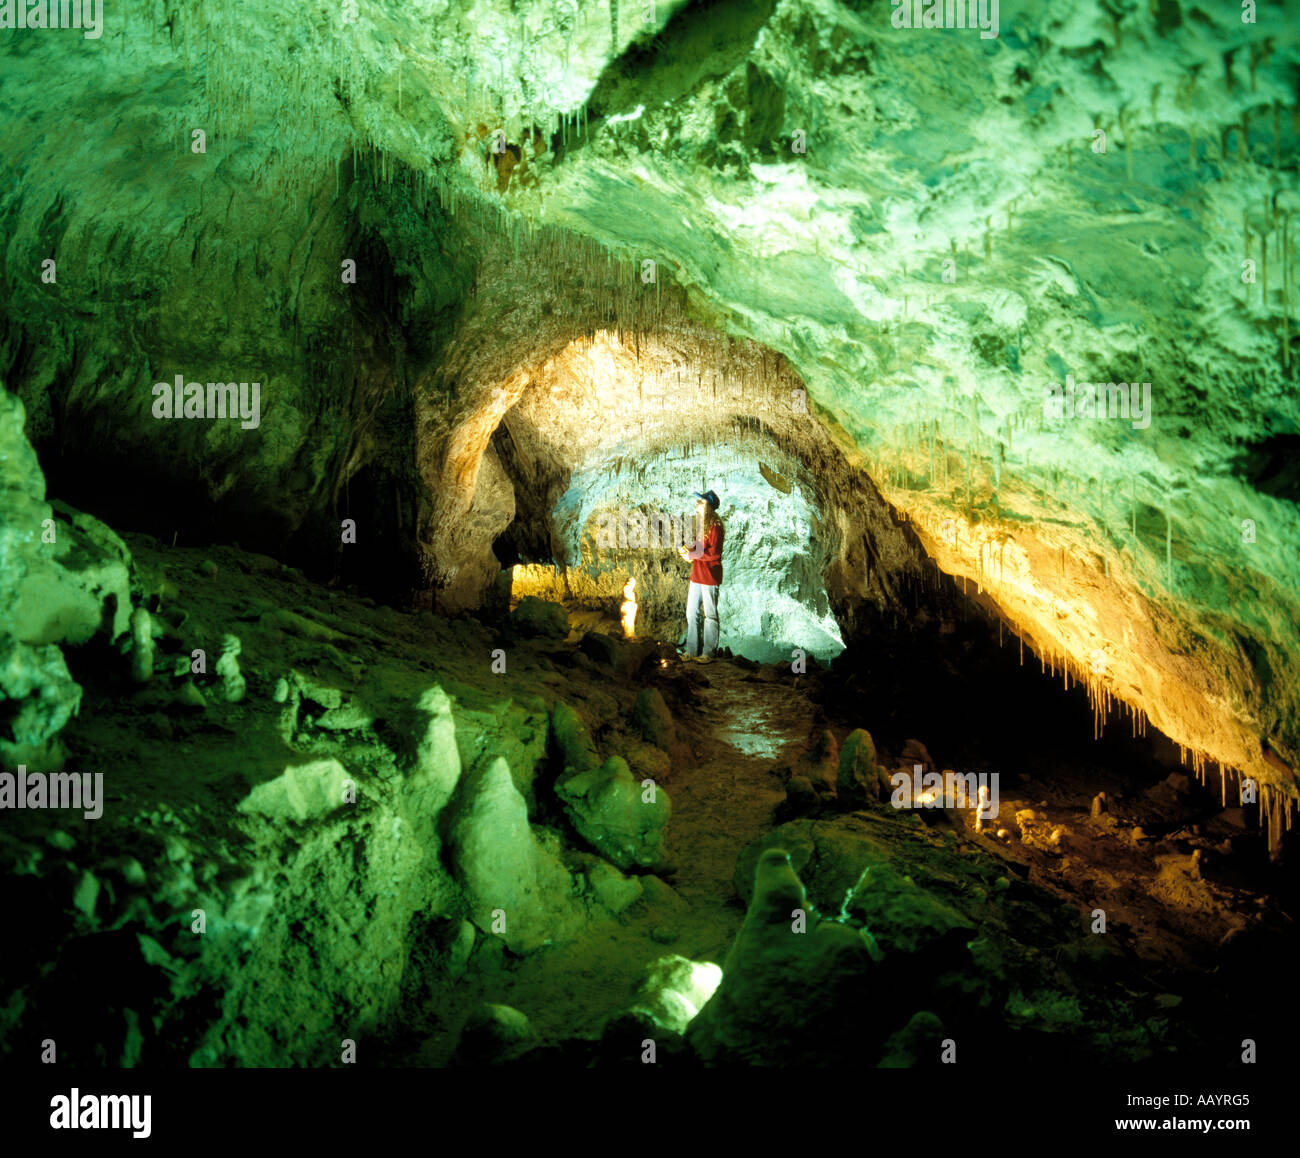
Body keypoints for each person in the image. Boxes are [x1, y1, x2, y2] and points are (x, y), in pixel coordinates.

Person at [677, 490, 724, 663]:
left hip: (710, 575)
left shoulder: (716, 527)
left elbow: (714, 554)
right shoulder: (701, 525)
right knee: (691, 612)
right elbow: (699, 550)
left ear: (709, 507)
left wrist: (693, 556)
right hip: (697, 574)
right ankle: (691, 650)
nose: (697, 503)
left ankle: (708, 653)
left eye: (702, 501)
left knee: (710, 615)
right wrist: (687, 551)